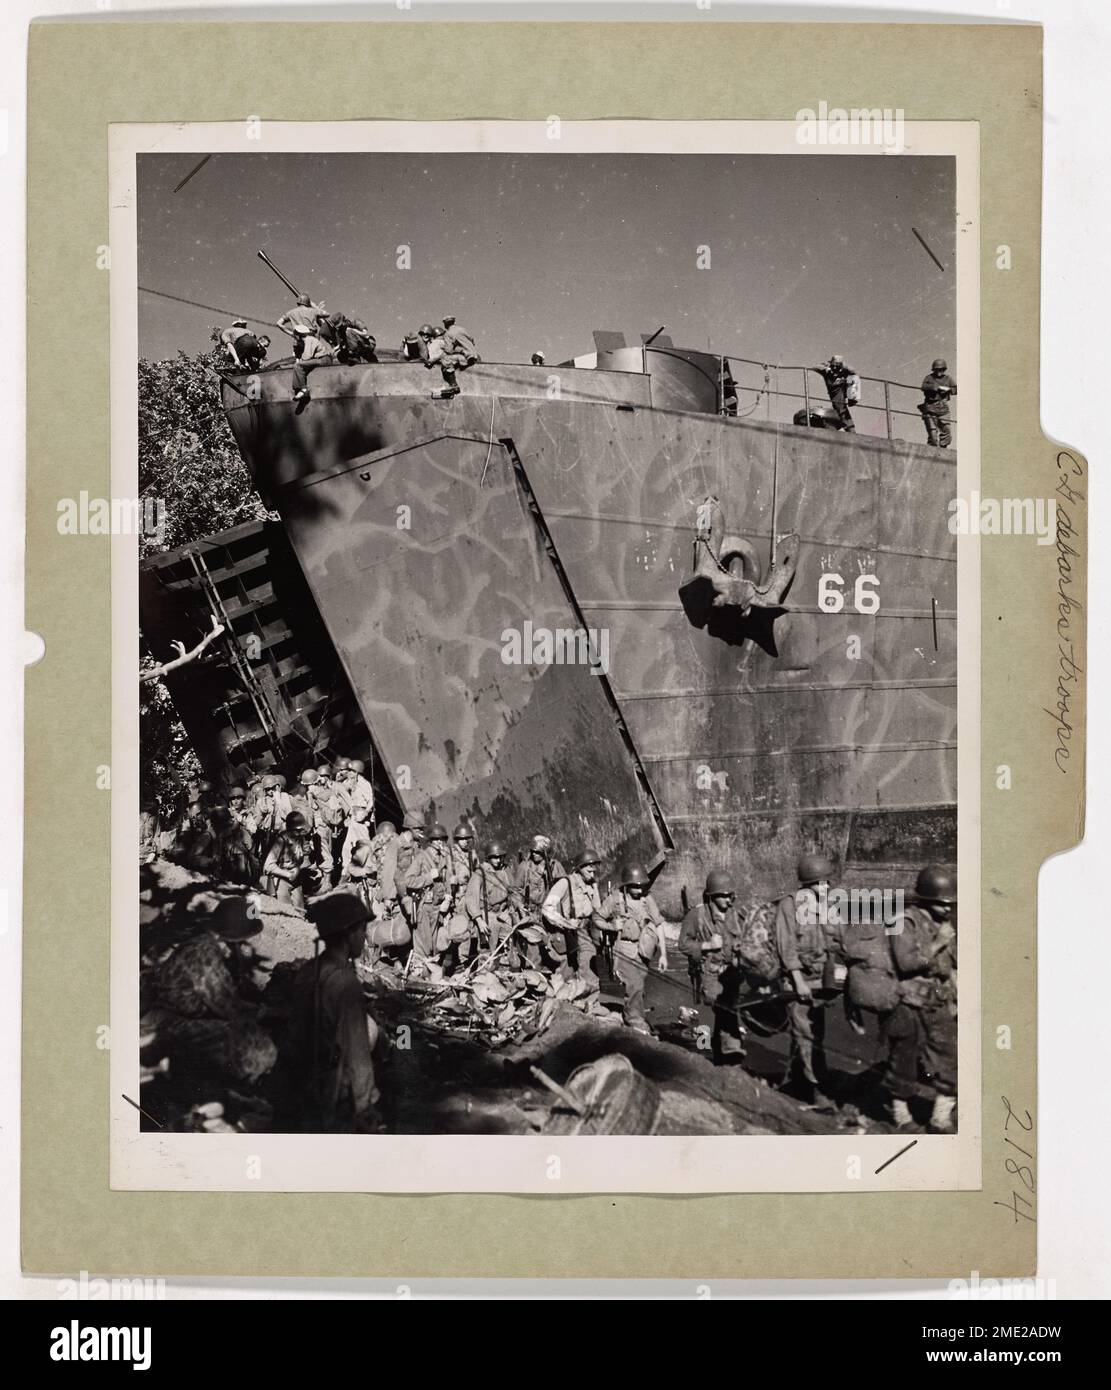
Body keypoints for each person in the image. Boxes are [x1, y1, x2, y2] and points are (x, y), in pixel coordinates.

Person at [289, 891, 385, 1133]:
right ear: (348, 934)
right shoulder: (345, 983)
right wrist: (366, 1106)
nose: (365, 936)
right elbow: (357, 1051)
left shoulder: (308, 970)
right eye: (362, 930)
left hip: (300, 1081)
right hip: (331, 1089)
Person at [884, 865, 958, 1133]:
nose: (947, 909)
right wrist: (938, 942)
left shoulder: (943, 925)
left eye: (950, 904)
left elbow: (951, 965)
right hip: (908, 1001)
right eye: (942, 904)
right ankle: (901, 1115)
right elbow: (905, 963)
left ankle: (940, 1116)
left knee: (951, 1054)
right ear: (927, 899)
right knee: (903, 1057)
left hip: (937, 999)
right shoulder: (902, 922)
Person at [774, 852, 840, 1105]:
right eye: (820, 883)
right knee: (806, 1033)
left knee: (814, 1032)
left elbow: (832, 941)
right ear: (808, 884)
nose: (825, 887)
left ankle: (800, 1079)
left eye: (826, 883)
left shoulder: (824, 906)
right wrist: (798, 981)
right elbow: (786, 946)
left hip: (818, 980)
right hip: (797, 980)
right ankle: (815, 1088)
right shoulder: (789, 906)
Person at [678, 869, 747, 1063]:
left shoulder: (737, 915)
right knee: (716, 1012)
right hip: (707, 972)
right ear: (712, 896)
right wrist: (707, 945)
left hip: (732, 972)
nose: (728, 900)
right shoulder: (697, 916)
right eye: (724, 896)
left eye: (730, 895)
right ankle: (714, 1054)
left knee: (727, 1012)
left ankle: (724, 1053)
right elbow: (683, 944)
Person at [594, 865, 666, 1033]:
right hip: (623, 948)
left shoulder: (647, 899)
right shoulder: (615, 899)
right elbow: (597, 917)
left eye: (642, 885)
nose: (640, 889)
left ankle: (632, 1014)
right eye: (635, 886)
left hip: (644, 949)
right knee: (633, 986)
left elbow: (659, 924)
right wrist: (611, 926)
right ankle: (635, 1022)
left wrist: (663, 954)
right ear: (626, 885)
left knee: (639, 986)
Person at [541, 850, 605, 989]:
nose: (593, 874)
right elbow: (547, 908)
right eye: (589, 871)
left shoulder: (592, 883)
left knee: (589, 965)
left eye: (594, 871)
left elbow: (597, 910)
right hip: (569, 932)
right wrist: (566, 923)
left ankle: (589, 998)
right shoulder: (565, 882)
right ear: (580, 868)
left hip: (587, 930)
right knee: (567, 972)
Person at [464, 840, 522, 967]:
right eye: (494, 857)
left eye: (500, 857)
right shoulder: (480, 874)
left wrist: (517, 907)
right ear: (488, 858)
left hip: (504, 913)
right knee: (488, 953)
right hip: (488, 915)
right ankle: (484, 978)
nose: (498, 860)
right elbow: (471, 898)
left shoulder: (505, 872)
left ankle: (512, 975)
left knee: (513, 945)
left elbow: (513, 891)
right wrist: (479, 920)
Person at [403, 821, 455, 962]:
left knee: (435, 944)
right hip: (424, 907)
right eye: (436, 839)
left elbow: (447, 880)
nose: (440, 842)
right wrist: (428, 877)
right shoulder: (421, 857)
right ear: (430, 841)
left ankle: (432, 976)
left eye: (442, 839)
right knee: (423, 945)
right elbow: (408, 880)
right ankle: (420, 974)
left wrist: (448, 899)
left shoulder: (443, 858)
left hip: (438, 907)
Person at [260, 810, 320, 911]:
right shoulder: (281, 841)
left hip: (295, 878)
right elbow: (268, 865)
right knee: (286, 911)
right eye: (298, 830)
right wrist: (288, 874)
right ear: (290, 829)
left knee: (300, 910)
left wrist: (297, 868)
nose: (300, 832)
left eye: (301, 830)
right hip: (281, 879)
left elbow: (302, 858)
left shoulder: (299, 838)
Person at [289, 324, 334, 405]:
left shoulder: (309, 340)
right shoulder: (306, 341)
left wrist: (299, 359)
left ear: (298, 334)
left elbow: (307, 357)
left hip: (324, 359)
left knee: (298, 366)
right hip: (320, 359)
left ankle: (303, 389)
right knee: (299, 365)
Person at [919, 358, 957, 449]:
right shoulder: (929, 377)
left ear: (944, 369)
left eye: (941, 369)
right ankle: (933, 448)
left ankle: (943, 447)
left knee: (947, 429)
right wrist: (936, 387)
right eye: (937, 369)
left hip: (943, 407)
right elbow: (924, 386)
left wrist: (948, 390)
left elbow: (955, 389)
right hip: (930, 407)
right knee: (932, 432)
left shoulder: (948, 379)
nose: (939, 371)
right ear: (934, 370)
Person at [815, 355, 857, 432]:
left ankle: (852, 398)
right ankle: (850, 428)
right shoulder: (827, 371)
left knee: (852, 378)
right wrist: (826, 368)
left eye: (837, 366)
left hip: (843, 389)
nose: (835, 368)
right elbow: (815, 367)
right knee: (840, 409)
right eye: (834, 366)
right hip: (835, 393)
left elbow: (854, 372)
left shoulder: (844, 369)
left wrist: (845, 367)